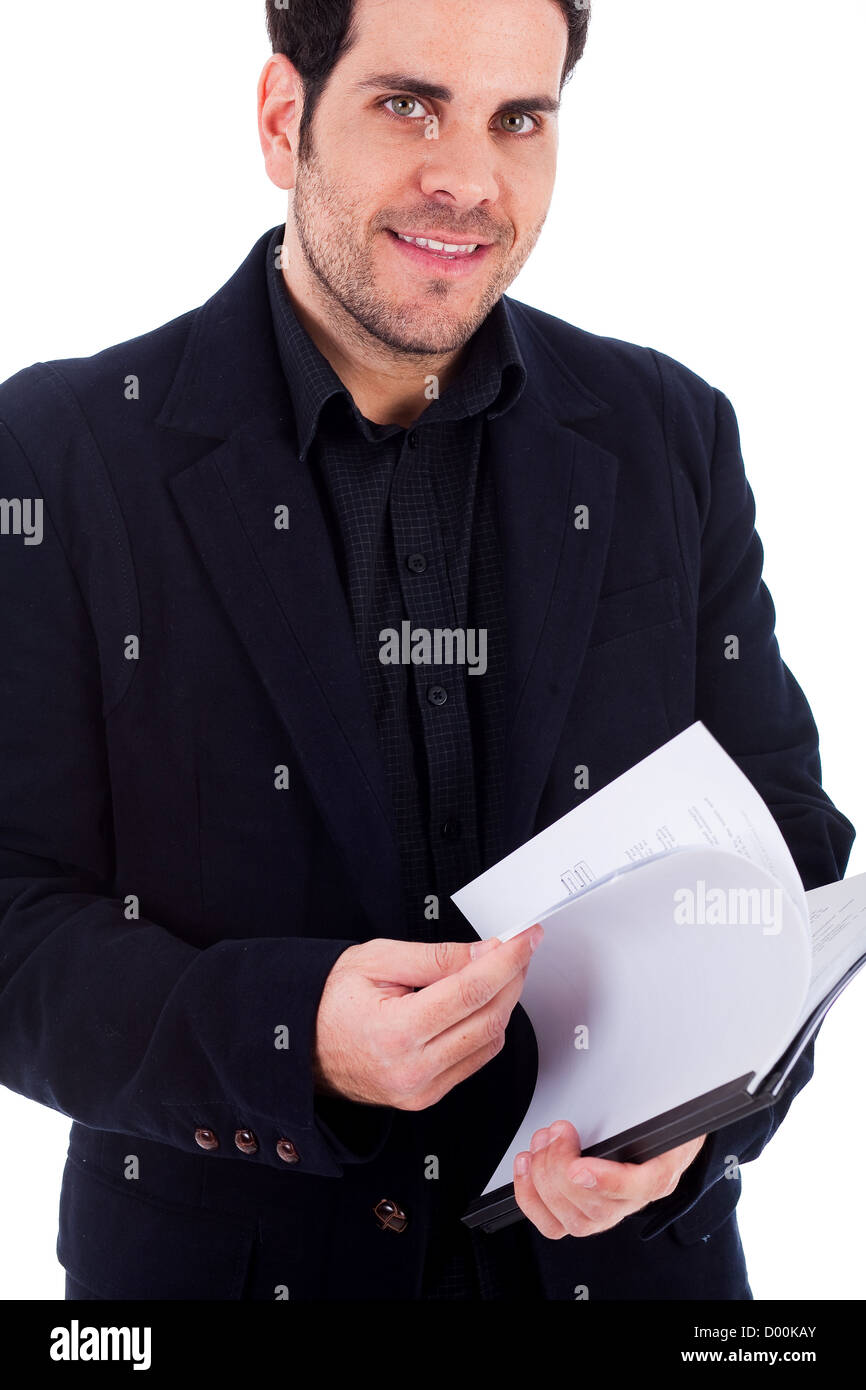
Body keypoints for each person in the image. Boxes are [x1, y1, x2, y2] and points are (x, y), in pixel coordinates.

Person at [0, 0, 854, 1301]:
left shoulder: (665, 431)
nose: (466, 179)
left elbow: (784, 840)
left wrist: (690, 1124)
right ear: (285, 118)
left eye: (518, 118)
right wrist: (299, 1041)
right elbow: (13, 920)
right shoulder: (63, 450)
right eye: (409, 104)